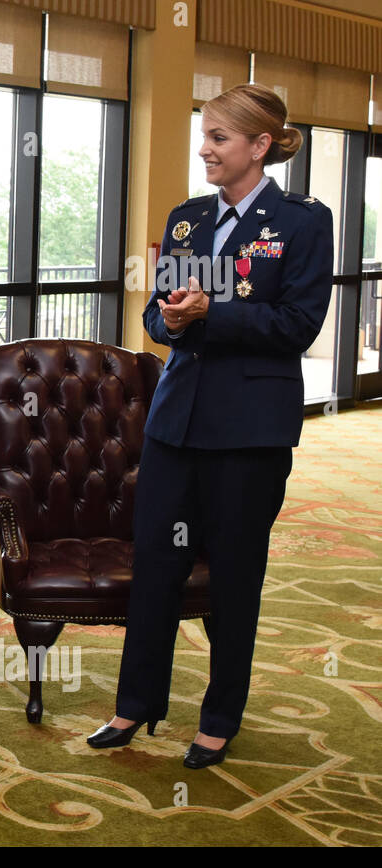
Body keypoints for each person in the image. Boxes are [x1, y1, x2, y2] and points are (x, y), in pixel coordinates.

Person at [87, 83, 333, 768]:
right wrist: (166, 319)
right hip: (175, 426)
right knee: (156, 570)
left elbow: (297, 326)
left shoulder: (303, 222)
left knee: (231, 578)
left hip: (250, 433)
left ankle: (219, 717)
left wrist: (208, 317)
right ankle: (135, 704)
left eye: (220, 138)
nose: (205, 149)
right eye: (205, 134)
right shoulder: (190, 219)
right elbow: (158, 314)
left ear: (260, 146)